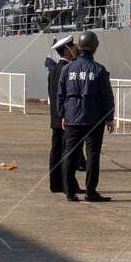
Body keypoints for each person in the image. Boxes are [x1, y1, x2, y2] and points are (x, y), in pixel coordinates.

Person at [58, 30, 115, 203]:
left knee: (70, 154)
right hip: (94, 119)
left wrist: (63, 114)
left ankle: (69, 192)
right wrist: (109, 118)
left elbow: (60, 94)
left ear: (79, 48)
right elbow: (107, 95)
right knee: (93, 155)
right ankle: (91, 192)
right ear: (95, 48)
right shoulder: (99, 70)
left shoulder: (67, 69)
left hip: (73, 117)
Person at [46, 35, 76, 194]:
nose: (76, 48)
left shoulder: (53, 70)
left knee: (56, 151)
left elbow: (51, 94)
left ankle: (55, 184)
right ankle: (67, 185)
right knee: (68, 152)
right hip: (66, 118)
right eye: (73, 46)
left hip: (55, 118)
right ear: (67, 50)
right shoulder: (68, 69)